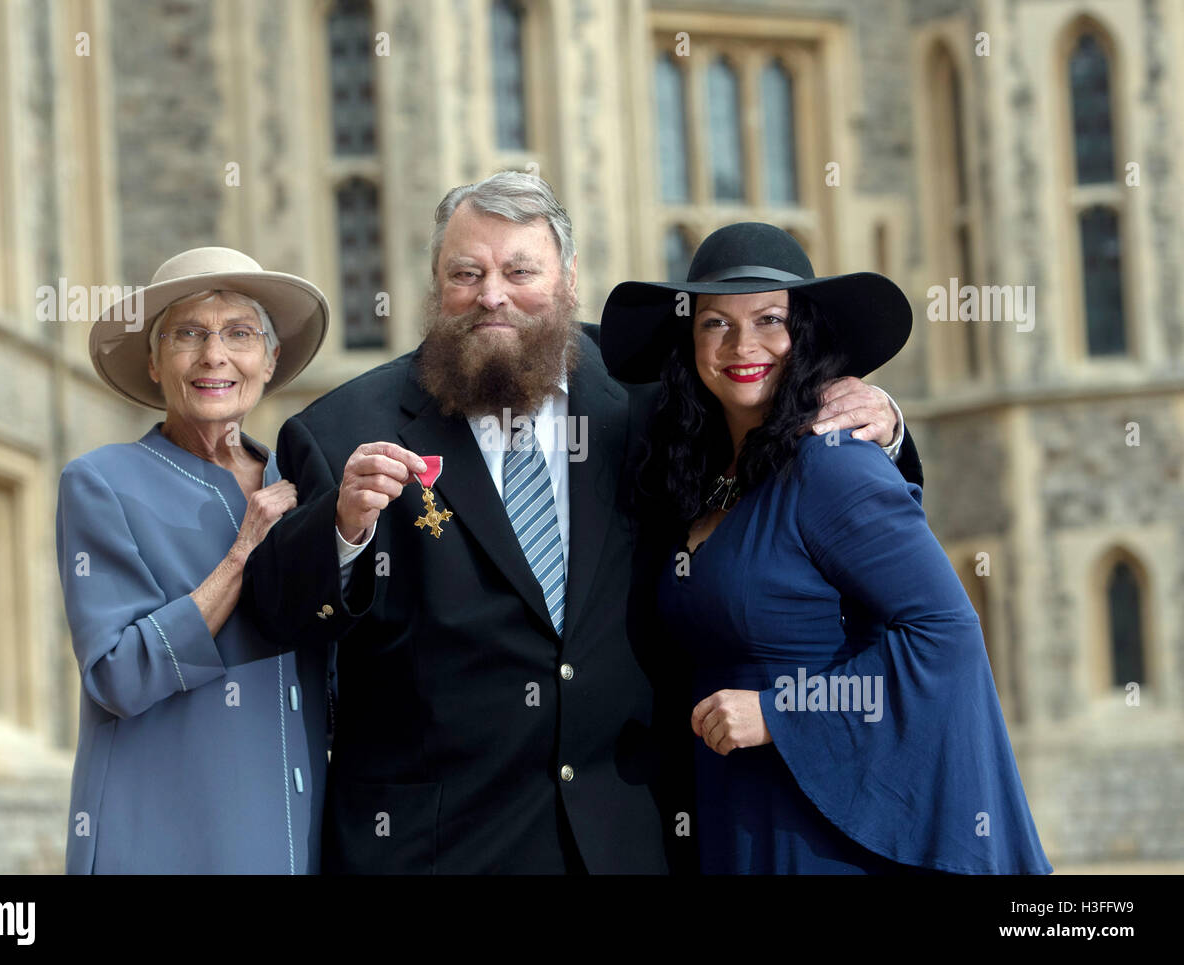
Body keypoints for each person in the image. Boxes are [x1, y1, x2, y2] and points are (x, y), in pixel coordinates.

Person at [242, 172, 905, 874]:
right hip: (435, 850)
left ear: (568, 279)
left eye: (520, 270)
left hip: (634, 837)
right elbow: (281, 615)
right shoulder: (340, 428)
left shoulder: (653, 393)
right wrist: (344, 531)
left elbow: (776, 439)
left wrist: (883, 423)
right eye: (466, 272)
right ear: (437, 284)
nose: (492, 294)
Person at [600, 222, 1052, 874]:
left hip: (825, 826)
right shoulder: (693, 473)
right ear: (688, 338)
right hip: (731, 812)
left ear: (803, 333)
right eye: (714, 323)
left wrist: (781, 714)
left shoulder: (832, 464)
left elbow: (945, 631)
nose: (741, 345)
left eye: (769, 320)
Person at [57, 246, 330, 873]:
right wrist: (243, 555)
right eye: (188, 335)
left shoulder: (308, 485)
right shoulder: (101, 483)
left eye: (239, 333)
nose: (214, 356)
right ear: (154, 362)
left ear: (270, 357)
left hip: (301, 845)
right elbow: (117, 676)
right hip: (163, 845)